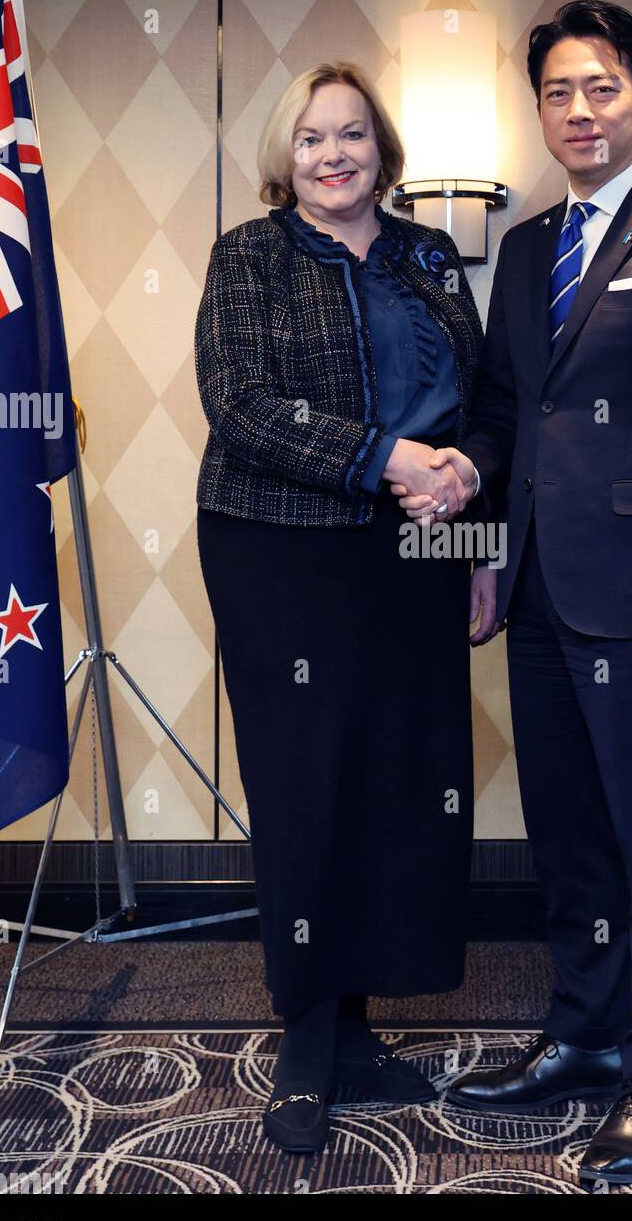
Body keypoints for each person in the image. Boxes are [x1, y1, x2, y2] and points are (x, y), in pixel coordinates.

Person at [408, 0, 632, 1188]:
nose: (579, 111)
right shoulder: (526, 247)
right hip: (545, 595)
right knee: (565, 833)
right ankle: (582, 1030)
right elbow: (510, 414)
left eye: (601, 89)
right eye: (559, 92)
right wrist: (487, 543)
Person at [193, 61, 484, 1155]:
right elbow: (242, 408)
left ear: (382, 147)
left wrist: (469, 510)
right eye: (312, 138)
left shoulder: (429, 255)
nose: (334, 155)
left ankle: (361, 1030)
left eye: (353, 134)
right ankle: (307, 1041)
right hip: (284, 554)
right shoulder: (250, 256)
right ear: (288, 156)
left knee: (397, 785)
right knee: (308, 780)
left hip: (415, 553)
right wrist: (389, 454)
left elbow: (483, 400)